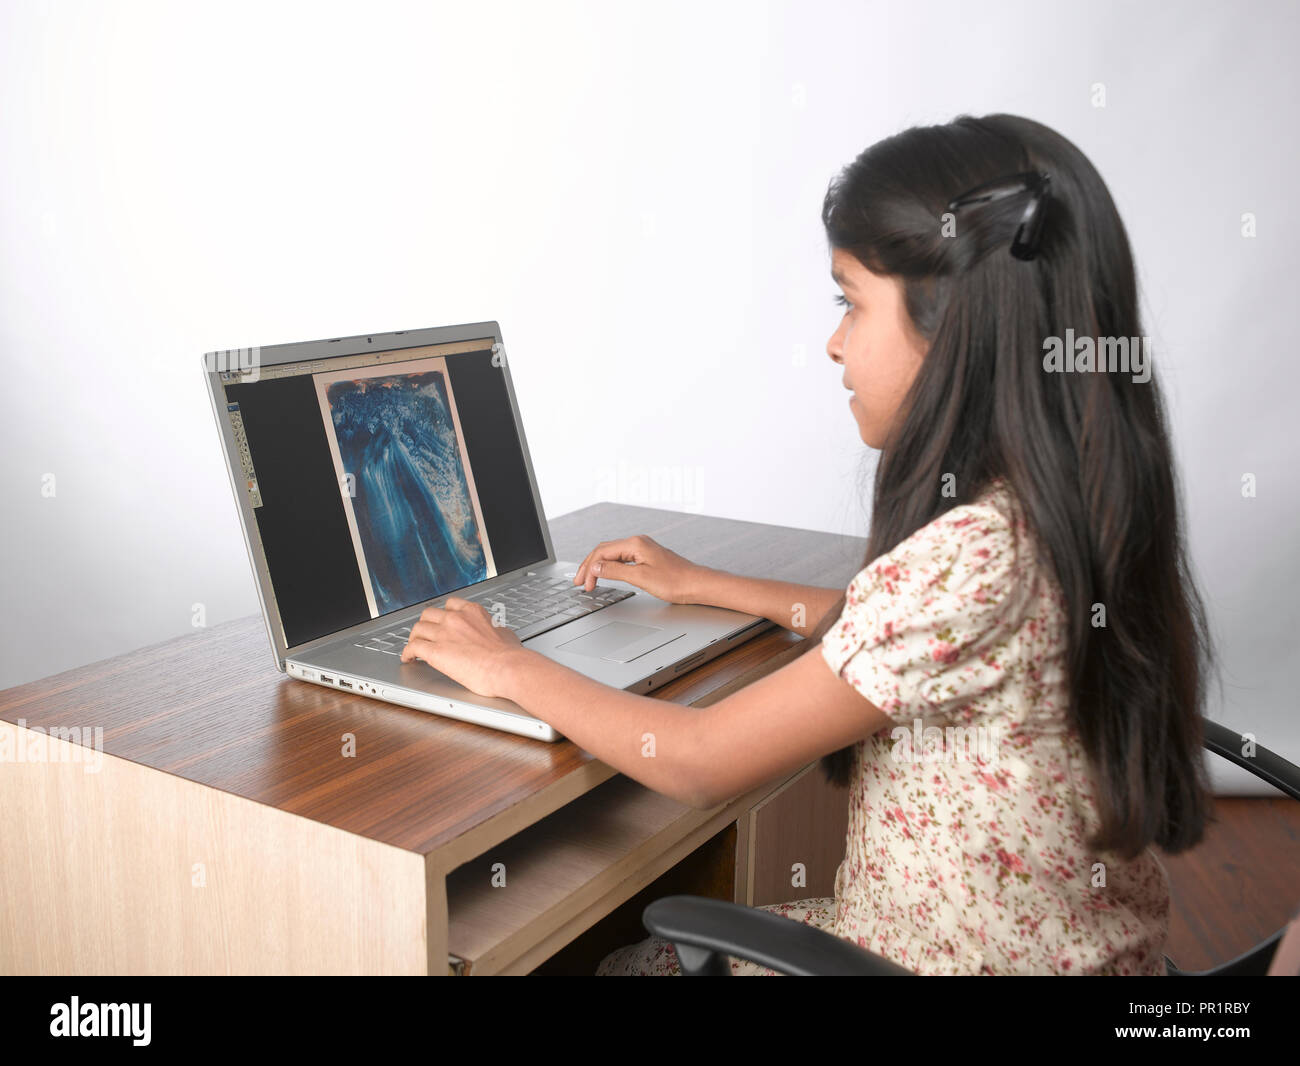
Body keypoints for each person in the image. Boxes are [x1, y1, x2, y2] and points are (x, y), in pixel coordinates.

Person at [399, 112, 1215, 975]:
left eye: (850, 303)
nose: (833, 343)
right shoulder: (1059, 512)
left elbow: (700, 759)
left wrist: (507, 664)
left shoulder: (968, 553)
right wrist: (711, 584)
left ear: (954, 332)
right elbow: (920, 635)